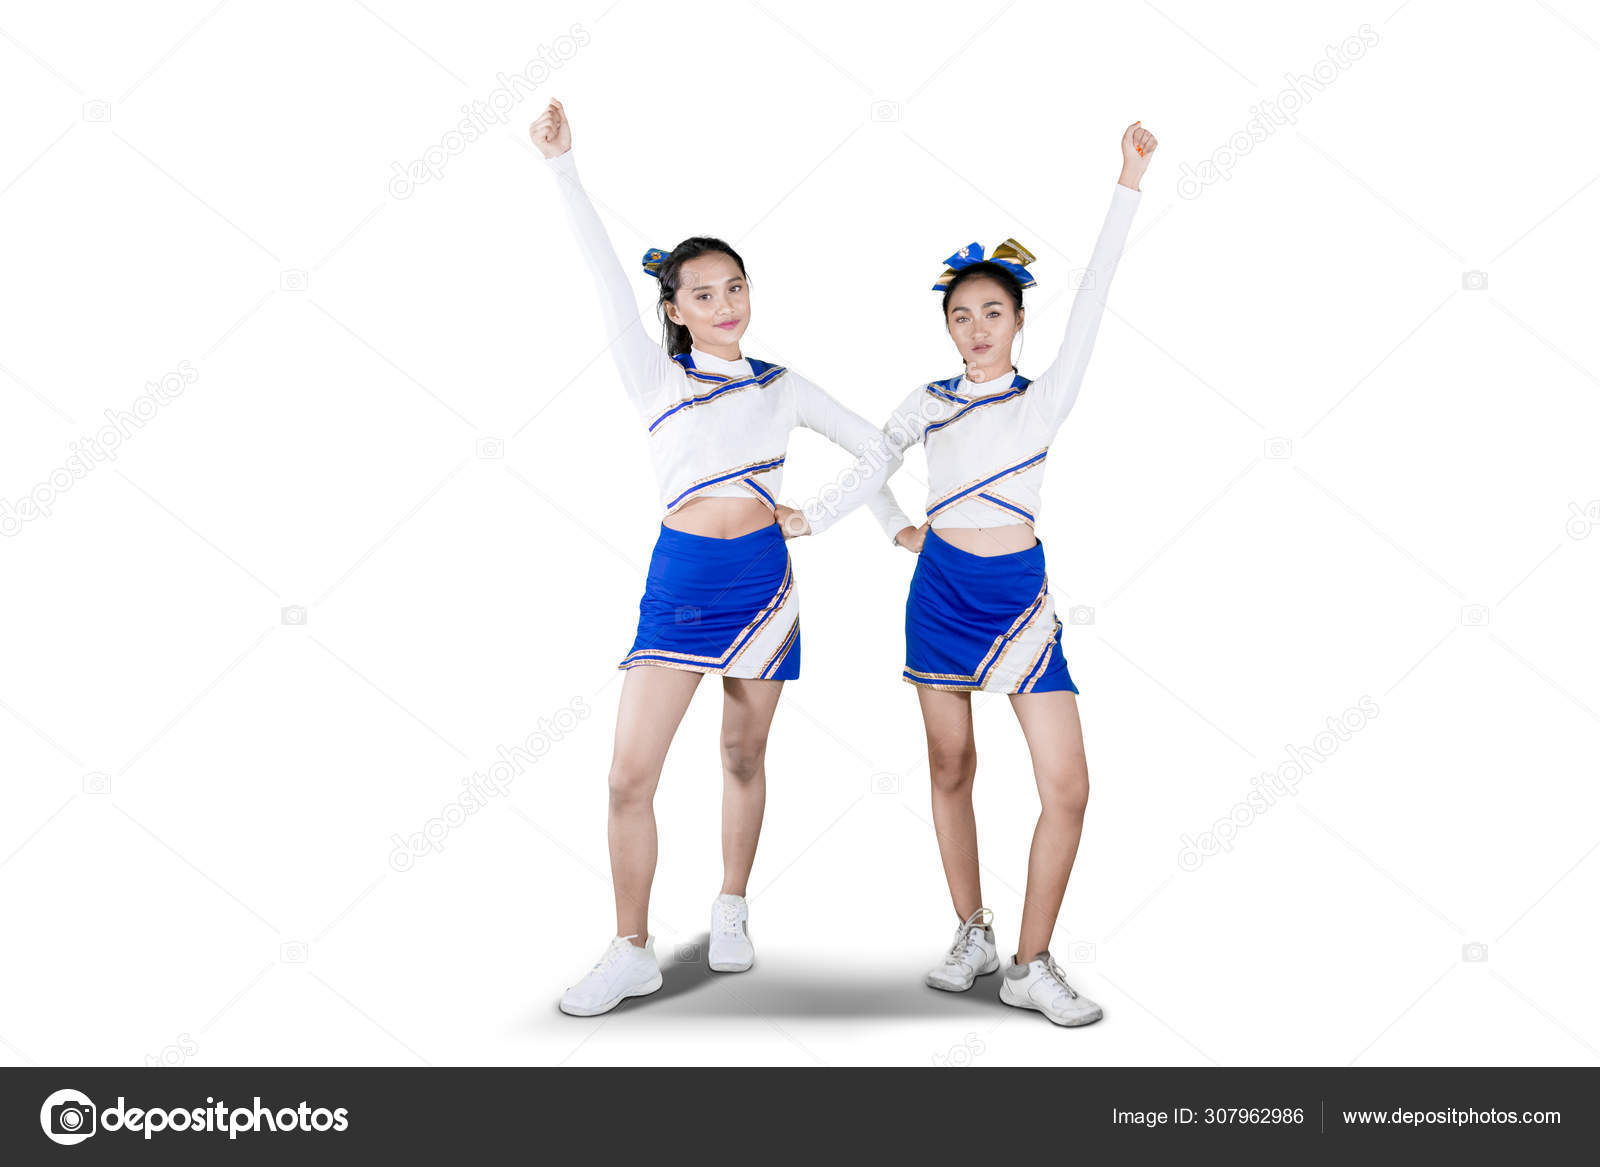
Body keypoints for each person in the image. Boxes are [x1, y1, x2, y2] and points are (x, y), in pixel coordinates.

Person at [529, 99, 898, 1016]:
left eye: (734, 287)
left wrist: (818, 514)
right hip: (683, 584)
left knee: (741, 752)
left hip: (764, 588)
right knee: (627, 774)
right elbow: (603, 275)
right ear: (674, 307)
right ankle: (631, 948)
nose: (724, 304)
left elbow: (883, 445)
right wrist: (565, 167)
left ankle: (731, 904)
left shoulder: (781, 386)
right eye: (703, 293)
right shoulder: (655, 375)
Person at [863, 121, 1158, 1026]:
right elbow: (865, 460)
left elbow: (1100, 289)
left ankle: (1032, 963)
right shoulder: (929, 401)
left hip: (1019, 603)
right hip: (940, 596)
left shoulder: (1043, 399)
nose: (977, 328)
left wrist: (1127, 182)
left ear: (1020, 320)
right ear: (947, 327)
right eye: (961, 314)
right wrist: (897, 528)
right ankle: (972, 930)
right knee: (950, 765)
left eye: (994, 312)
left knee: (1066, 783)